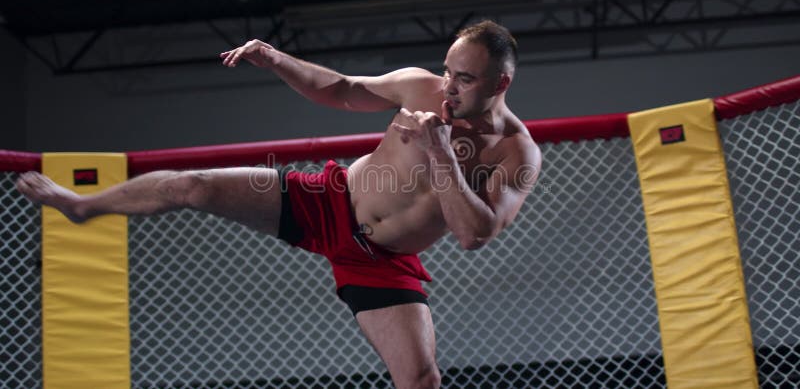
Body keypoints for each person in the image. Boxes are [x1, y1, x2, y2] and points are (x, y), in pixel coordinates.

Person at [16, 20, 541, 389]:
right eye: (447, 71)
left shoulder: (516, 153)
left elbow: (476, 234)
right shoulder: (420, 88)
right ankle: (83, 205)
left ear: (502, 83)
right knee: (193, 184)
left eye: (464, 79)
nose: (448, 86)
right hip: (329, 201)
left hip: (381, 262)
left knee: (421, 379)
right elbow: (341, 90)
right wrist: (275, 59)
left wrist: (441, 154)